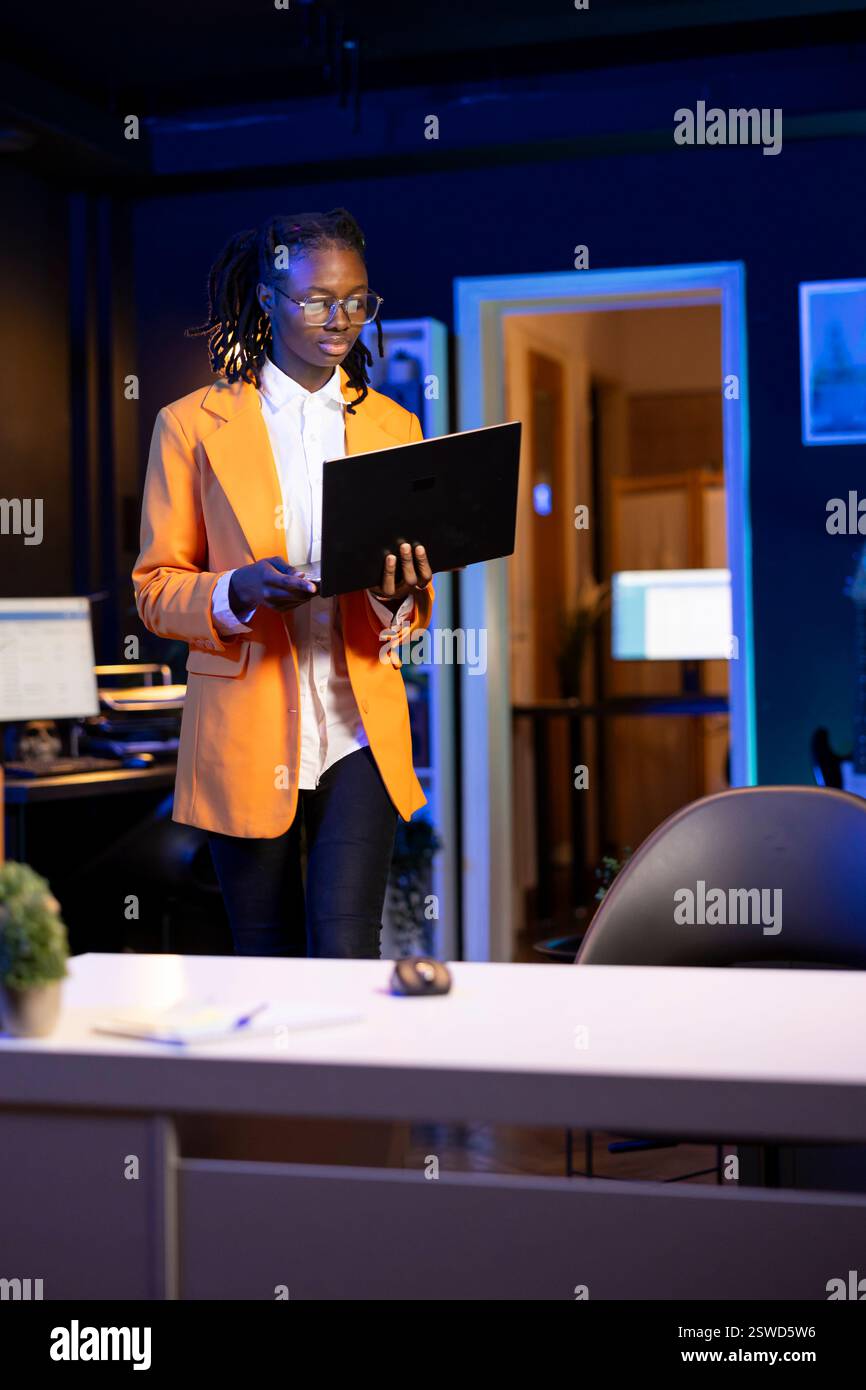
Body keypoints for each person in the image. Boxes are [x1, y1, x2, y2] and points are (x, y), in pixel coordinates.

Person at [133, 208, 435, 959]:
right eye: (317, 300)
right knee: (263, 961)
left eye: (357, 300)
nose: (341, 319)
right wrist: (235, 591)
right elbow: (155, 587)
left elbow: (407, 606)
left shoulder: (395, 427)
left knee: (346, 958)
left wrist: (398, 595)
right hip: (245, 728)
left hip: (357, 732)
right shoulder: (192, 426)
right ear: (269, 300)